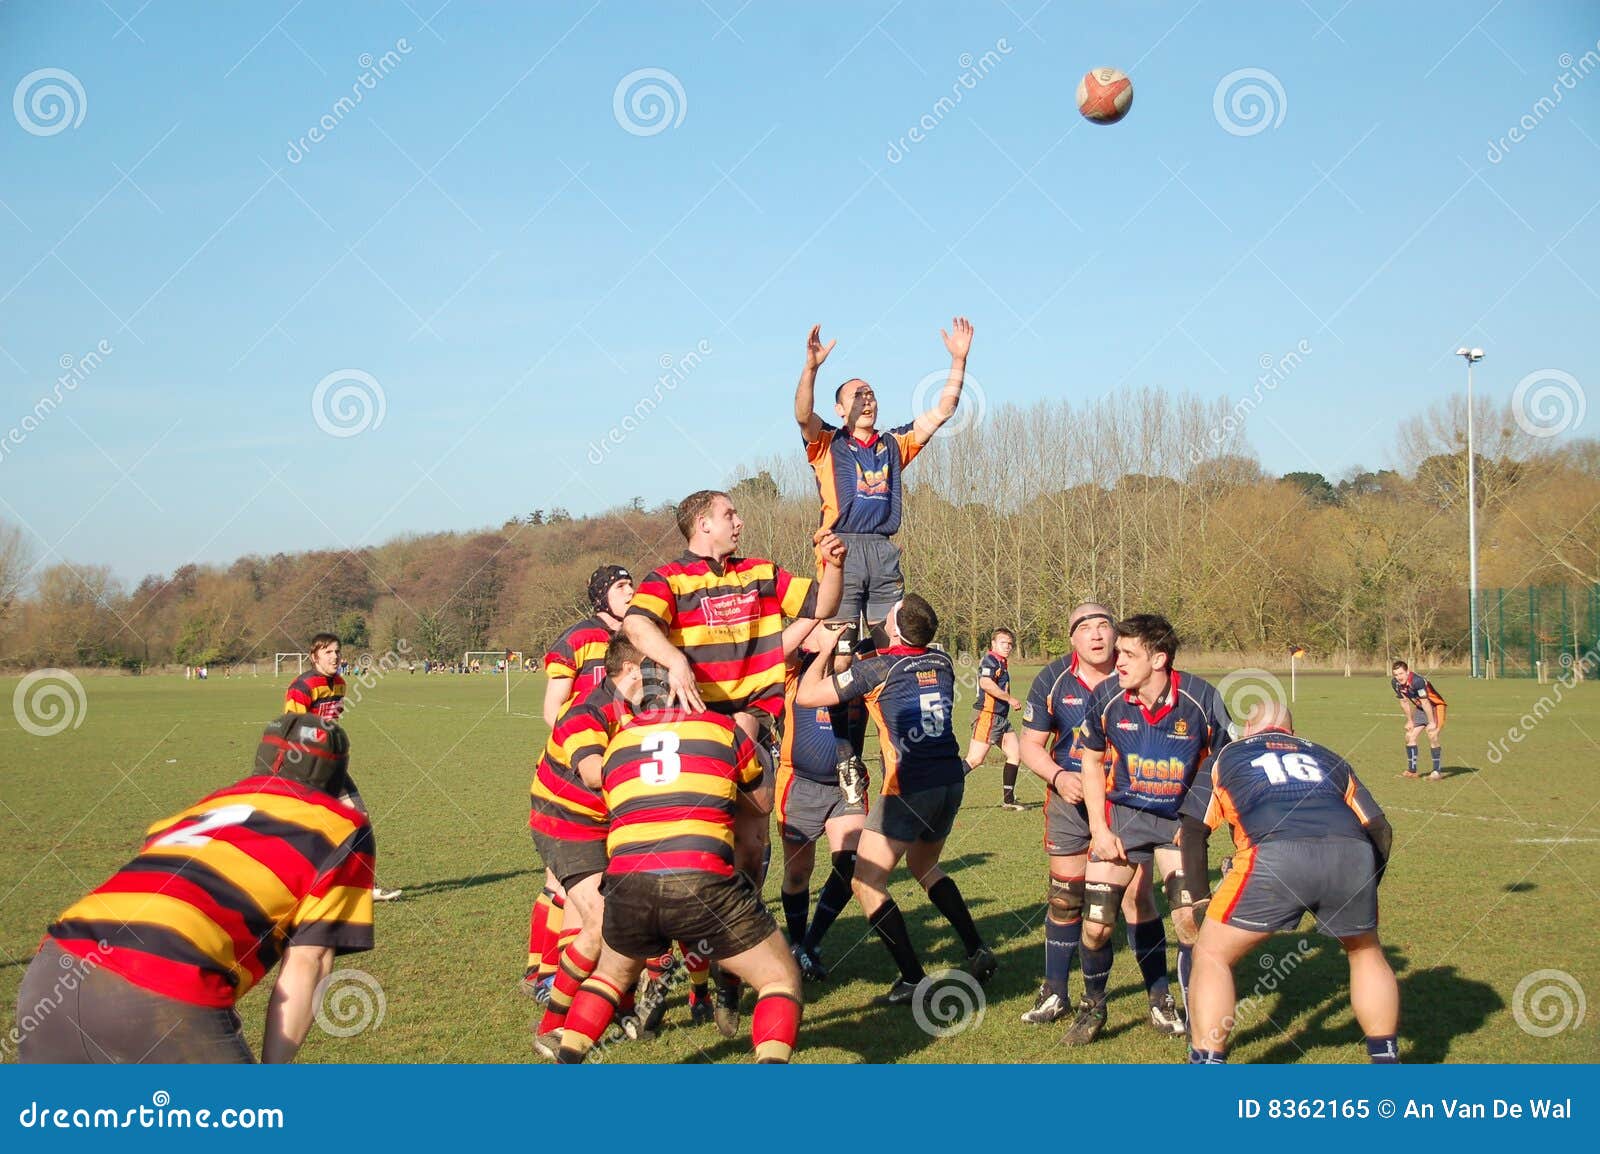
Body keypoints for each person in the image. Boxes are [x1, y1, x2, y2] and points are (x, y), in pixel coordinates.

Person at [17, 714, 374, 1063]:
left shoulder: (200, 808)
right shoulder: (343, 826)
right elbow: (310, 961)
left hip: (51, 972)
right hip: (164, 980)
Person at [554, 680, 803, 1064]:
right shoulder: (722, 729)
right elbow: (762, 802)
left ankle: (565, 1061)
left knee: (609, 977)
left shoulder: (617, 744)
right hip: (700, 878)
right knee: (779, 979)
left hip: (628, 881)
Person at [796, 593, 997, 1005]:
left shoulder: (879, 668)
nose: (885, 616)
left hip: (909, 787)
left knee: (866, 881)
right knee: (925, 867)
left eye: (891, 614)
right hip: (949, 780)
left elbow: (807, 696)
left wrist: (827, 649)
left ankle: (912, 978)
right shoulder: (941, 661)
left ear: (898, 630)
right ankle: (977, 949)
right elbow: (898, 650)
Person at [1181, 702, 1399, 1064]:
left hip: (1274, 853)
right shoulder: (1328, 756)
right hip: (1352, 852)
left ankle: (1207, 1063)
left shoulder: (1226, 755)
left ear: (1247, 730)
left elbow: (1192, 830)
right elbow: (1380, 828)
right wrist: (1366, 881)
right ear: (1292, 734)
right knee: (1365, 952)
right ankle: (1387, 1060)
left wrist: (1201, 900)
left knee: (1212, 955)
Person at [1017, 604, 1180, 1033]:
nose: (1096, 634)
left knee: (1136, 898)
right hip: (1069, 801)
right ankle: (1055, 991)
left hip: (1126, 802)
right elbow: (1029, 744)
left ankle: (1159, 998)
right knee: (1065, 897)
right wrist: (1057, 776)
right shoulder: (1053, 679)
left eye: (1103, 625)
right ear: (1071, 638)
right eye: (1084, 627)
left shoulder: (1135, 674)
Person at [1072, 613, 1232, 1045]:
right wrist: (1099, 828)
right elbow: (1090, 761)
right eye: (1118, 652)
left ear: (1159, 659)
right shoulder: (1106, 696)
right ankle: (1092, 1006)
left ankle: (1185, 1009)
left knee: (1189, 922)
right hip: (1123, 820)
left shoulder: (1201, 699)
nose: (1118, 661)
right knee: (1096, 924)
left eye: (1128, 654)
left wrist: (1196, 822)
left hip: (1178, 825)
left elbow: (1225, 763)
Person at [528, 639, 648, 1059]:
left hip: (607, 825)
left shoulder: (633, 710)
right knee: (601, 923)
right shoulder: (586, 710)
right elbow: (594, 772)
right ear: (632, 669)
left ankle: (619, 1006)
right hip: (565, 825)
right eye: (655, 666)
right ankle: (551, 1025)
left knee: (632, 916)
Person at [526, 566, 634, 998]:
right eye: (622, 586)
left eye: (632, 584)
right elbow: (553, 711)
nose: (631, 592)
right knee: (560, 882)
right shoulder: (578, 638)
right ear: (601, 595)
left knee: (593, 885)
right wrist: (583, 747)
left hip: (610, 771)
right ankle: (542, 972)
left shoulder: (636, 635)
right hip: (573, 770)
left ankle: (572, 974)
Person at [777, 620, 867, 982]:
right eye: (826, 626)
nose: (837, 632)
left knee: (850, 866)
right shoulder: (794, 672)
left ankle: (809, 945)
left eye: (841, 628)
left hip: (846, 786)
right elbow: (779, 650)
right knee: (799, 872)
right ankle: (797, 941)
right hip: (799, 784)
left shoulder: (861, 674)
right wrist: (820, 636)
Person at [285, 633, 401, 902]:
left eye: (337, 651)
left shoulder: (340, 684)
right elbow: (292, 729)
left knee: (359, 818)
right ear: (314, 656)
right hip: (304, 767)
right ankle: (297, 890)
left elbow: (332, 721)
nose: (335, 656)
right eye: (328, 652)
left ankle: (364, 887)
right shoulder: (301, 687)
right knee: (306, 831)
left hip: (331, 764)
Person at [965, 627, 1024, 809]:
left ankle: (1008, 801)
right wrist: (1009, 699)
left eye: (1010, 644)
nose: (1007, 646)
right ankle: (937, 789)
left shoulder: (1001, 662)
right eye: (1003, 643)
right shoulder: (990, 660)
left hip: (1000, 718)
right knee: (974, 760)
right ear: (993, 643)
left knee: (1015, 754)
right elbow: (985, 683)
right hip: (987, 716)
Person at [1390, 659, 1446, 780]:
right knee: (1409, 736)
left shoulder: (1417, 681)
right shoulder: (1396, 683)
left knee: (1432, 735)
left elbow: (1425, 702)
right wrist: (1409, 721)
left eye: (1401, 673)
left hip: (1435, 707)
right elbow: (1404, 702)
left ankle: (1436, 772)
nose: (1399, 677)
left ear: (1407, 671)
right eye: (1396, 674)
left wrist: (1431, 722)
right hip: (1421, 708)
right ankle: (1412, 771)